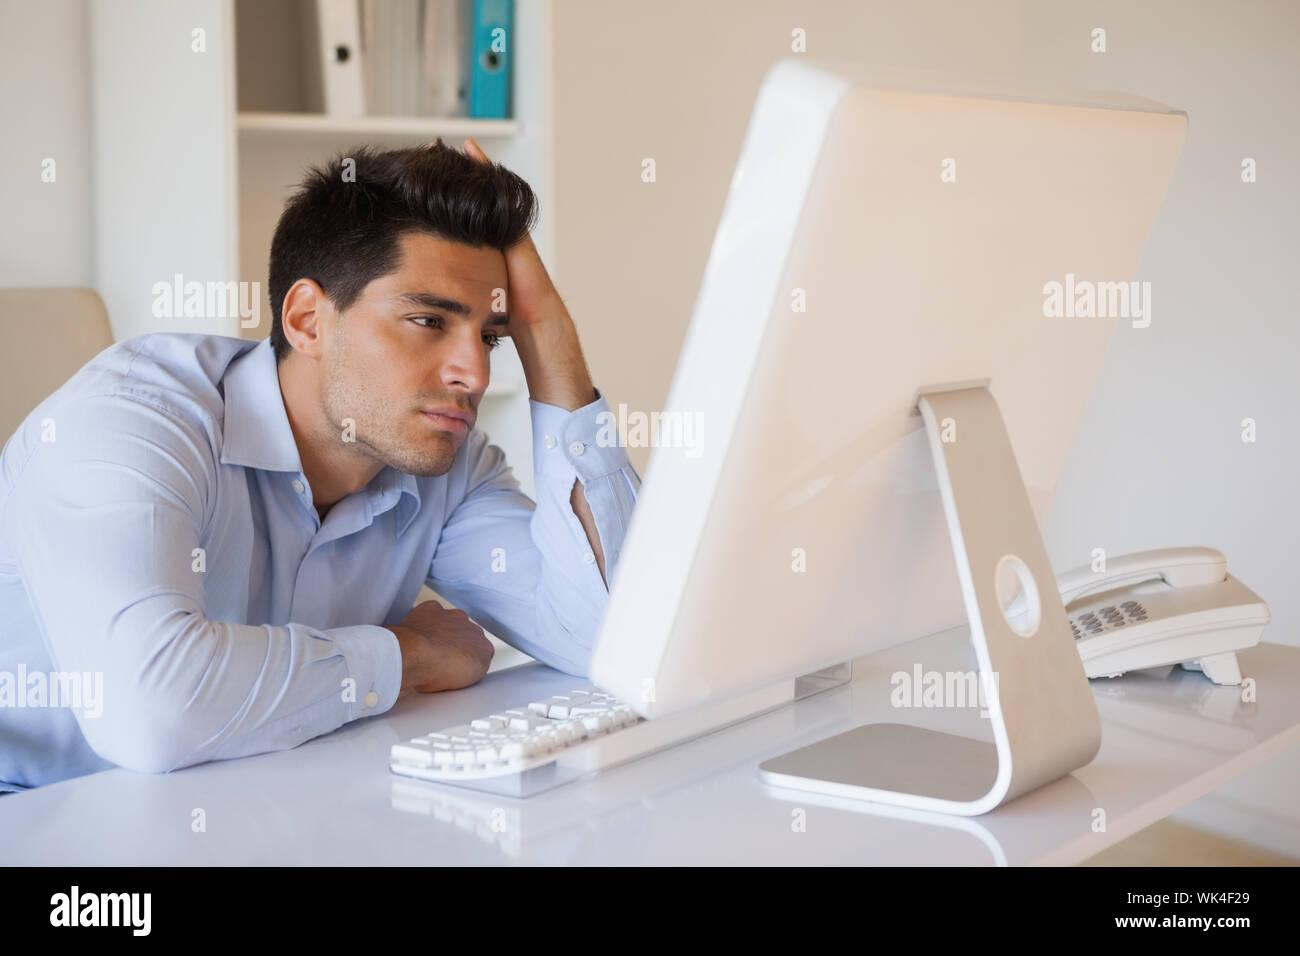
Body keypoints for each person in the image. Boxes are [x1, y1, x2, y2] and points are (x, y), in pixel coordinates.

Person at [0, 138, 640, 792]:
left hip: (258, 804)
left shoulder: (444, 462)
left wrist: (549, 341)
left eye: (491, 338)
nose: (473, 374)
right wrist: (406, 655)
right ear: (308, 320)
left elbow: (621, 644)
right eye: (427, 320)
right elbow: (153, 711)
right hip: (39, 818)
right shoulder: (132, 423)